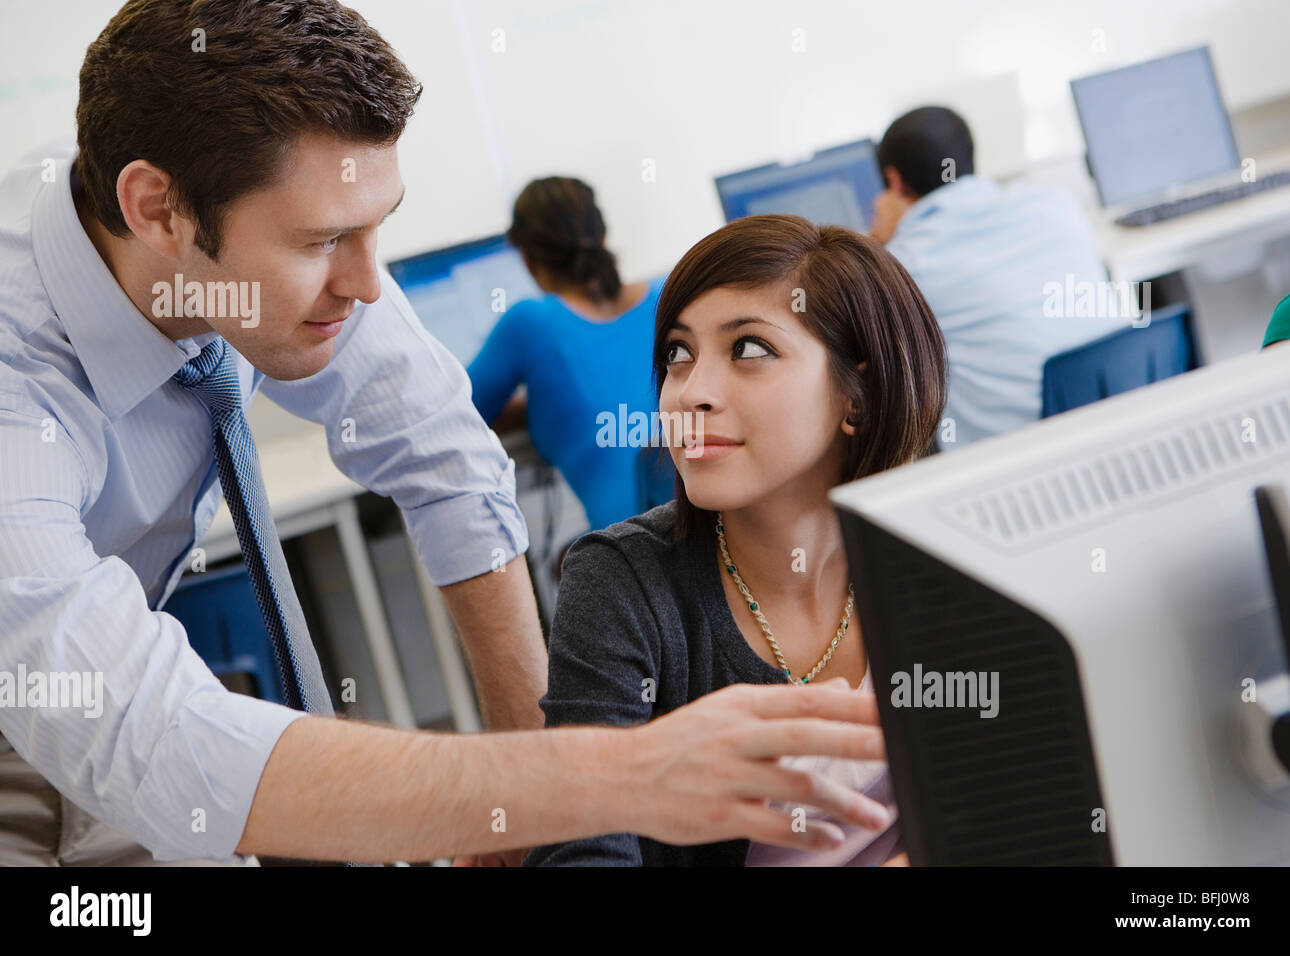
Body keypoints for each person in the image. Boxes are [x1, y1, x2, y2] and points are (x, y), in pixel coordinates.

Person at [0, 0, 892, 866]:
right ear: (158, 211)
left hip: (127, 695)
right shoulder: (17, 382)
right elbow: (148, 732)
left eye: (376, 229)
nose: (368, 288)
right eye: (322, 242)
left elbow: (443, 450)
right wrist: (599, 777)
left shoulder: (190, 209)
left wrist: (524, 791)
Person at [525, 214, 945, 865]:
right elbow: (581, 851)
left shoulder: (941, 555)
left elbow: (1034, 785)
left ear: (855, 398)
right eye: (677, 355)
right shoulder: (620, 584)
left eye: (749, 350)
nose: (690, 394)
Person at [869, 106, 1130, 449]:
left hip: (1018, 458)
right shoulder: (1056, 203)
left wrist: (879, 244)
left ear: (893, 181)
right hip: (1123, 416)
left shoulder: (904, 266)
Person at [468, 177, 670, 532]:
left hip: (637, 555)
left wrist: (537, 409)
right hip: (722, 529)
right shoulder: (670, 292)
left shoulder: (531, 321)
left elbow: (459, 414)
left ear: (528, 261)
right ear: (604, 238)